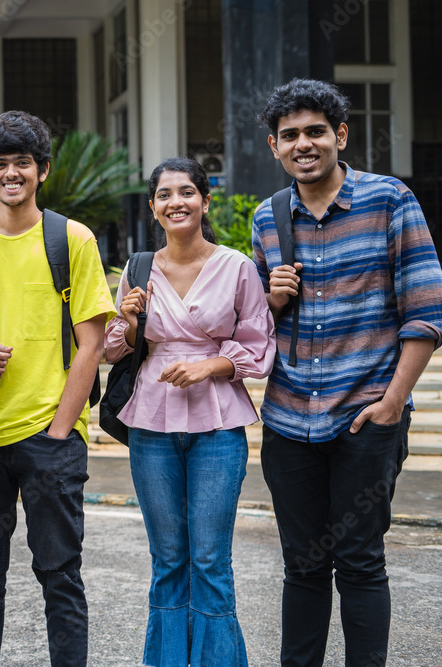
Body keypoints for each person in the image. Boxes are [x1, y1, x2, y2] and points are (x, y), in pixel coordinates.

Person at [254, 78, 442, 666]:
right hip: (288, 422)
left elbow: (426, 310)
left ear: (340, 135)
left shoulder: (390, 200)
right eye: (290, 135)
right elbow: (255, 326)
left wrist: (392, 403)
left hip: (365, 416)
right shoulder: (268, 217)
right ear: (273, 146)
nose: (302, 144)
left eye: (315, 131)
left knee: (361, 563)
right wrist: (274, 299)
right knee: (303, 567)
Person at [0, 111, 111, 666]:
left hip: (48, 436)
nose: (12, 174)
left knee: (60, 576)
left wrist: (59, 433)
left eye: (23, 164)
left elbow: (92, 343)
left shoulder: (71, 239)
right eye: (0, 165)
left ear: (43, 171)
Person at [105, 158, 276, 666]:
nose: (175, 202)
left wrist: (211, 366)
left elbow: (260, 345)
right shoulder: (137, 269)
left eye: (186, 192)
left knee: (209, 561)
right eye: (164, 194)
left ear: (204, 200)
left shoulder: (237, 266)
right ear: (154, 207)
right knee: (168, 559)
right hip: (150, 424)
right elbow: (116, 348)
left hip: (217, 423)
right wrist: (132, 318)